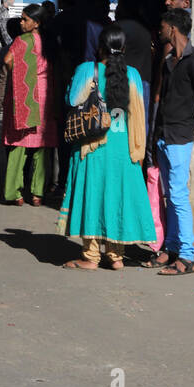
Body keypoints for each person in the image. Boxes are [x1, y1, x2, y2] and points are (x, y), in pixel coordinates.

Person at [58, 26, 156, 270]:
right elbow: (138, 115)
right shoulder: (132, 74)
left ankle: (90, 257)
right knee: (116, 197)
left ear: (99, 48)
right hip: (123, 148)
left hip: (92, 146)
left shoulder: (87, 70)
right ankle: (116, 256)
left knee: (92, 195)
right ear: (123, 49)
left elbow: (71, 100)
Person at [146, 8, 194, 275]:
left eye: (162, 26)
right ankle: (171, 248)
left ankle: (186, 256)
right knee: (170, 196)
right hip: (164, 135)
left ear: (173, 29)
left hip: (179, 138)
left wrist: (190, 125)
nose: (160, 31)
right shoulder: (169, 60)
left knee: (178, 196)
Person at [0, 3, 60, 207]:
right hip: (45, 96)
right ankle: (37, 194)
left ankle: (15, 192)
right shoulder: (50, 42)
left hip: (25, 95)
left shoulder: (22, 41)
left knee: (19, 146)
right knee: (41, 147)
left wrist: (21, 76)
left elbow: (8, 60)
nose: (21, 22)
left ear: (37, 23)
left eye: (25, 19)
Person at [114, 0, 154, 137]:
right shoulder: (145, 28)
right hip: (142, 84)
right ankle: (137, 157)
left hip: (119, 83)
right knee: (139, 126)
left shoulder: (117, 28)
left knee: (118, 127)